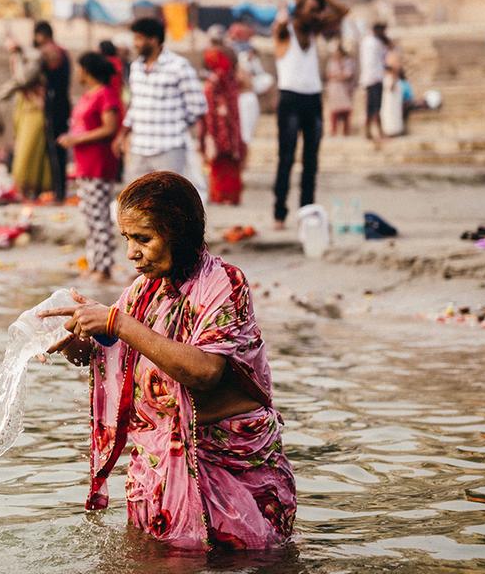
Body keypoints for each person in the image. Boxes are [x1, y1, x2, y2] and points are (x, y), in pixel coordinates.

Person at [41, 171, 296, 552]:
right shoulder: (143, 292)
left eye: (143, 239)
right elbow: (110, 356)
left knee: (250, 560)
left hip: (231, 465)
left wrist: (116, 322)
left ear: (178, 232)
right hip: (160, 463)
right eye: (127, 238)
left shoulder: (225, 284)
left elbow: (206, 371)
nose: (131, 253)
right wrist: (75, 343)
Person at [272, 0, 348, 229]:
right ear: (299, 9)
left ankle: (307, 212)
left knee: (311, 160)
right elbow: (280, 25)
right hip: (290, 99)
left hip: (313, 100)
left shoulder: (314, 33)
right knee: (286, 158)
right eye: (311, 9)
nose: (316, 14)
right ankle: (279, 213)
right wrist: (288, 10)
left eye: (318, 9)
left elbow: (343, 12)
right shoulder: (285, 32)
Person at [114, 17, 205, 183]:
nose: (135, 43)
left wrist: (175, 125)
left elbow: (198, 106)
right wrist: (122, 135)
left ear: (153, 40)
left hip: (169, 147)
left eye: (139, 38)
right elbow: (135, 106)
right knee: (137, 203)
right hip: (139, 148)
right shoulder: (136, 68)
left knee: (167, 201)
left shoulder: (178, 66)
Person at [58, 53, 123, 281]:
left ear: (86, 70)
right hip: (84, 165)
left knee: (99, 216)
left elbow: (109, 128)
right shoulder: (88, 95)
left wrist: (76, 140)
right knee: (89, 215)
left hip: (99, 163)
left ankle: (104, 267)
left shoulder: (105, 94)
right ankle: (95, 263)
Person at [202, 29, 246, 205]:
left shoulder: (217, 77)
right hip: (228, 120)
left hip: (221, 121)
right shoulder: (230, 78)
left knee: (222, 160)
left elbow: (212, 101)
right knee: (227, 160)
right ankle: (228, 195)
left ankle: (222, 195)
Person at [33, 21, 72, 203]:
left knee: (55, 150)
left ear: (41, 35)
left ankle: (60, 192)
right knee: (57, 150)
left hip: (55, 104)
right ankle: (59, 190)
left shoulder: (49, 51)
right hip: (61, 102)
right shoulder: (61, 51)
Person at [12, 72, 52, 201]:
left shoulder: (39, 88)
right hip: (25, 120)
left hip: (36, 121)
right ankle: (23, 189)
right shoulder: (22, 94)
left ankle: (34, 189)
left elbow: (42, 105)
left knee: (32, 155)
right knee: (24, 155)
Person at [359, 21, 390, 142]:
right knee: (376, 107)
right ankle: (379, 133)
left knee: (370, 107)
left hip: (368, 78)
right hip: (375, 78)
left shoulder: (366, 41)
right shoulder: (376, 43)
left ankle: (368, 132)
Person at [325, 40, 356, 136]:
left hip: (345, 90)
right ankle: (334, 131)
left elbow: (348, 75)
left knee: (345, 110)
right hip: (335, 90)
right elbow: (329, 75)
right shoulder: (331, 62)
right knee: (335, 111)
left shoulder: (348, 62)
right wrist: (339, 76)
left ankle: (346, 131)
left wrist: (338, 76)